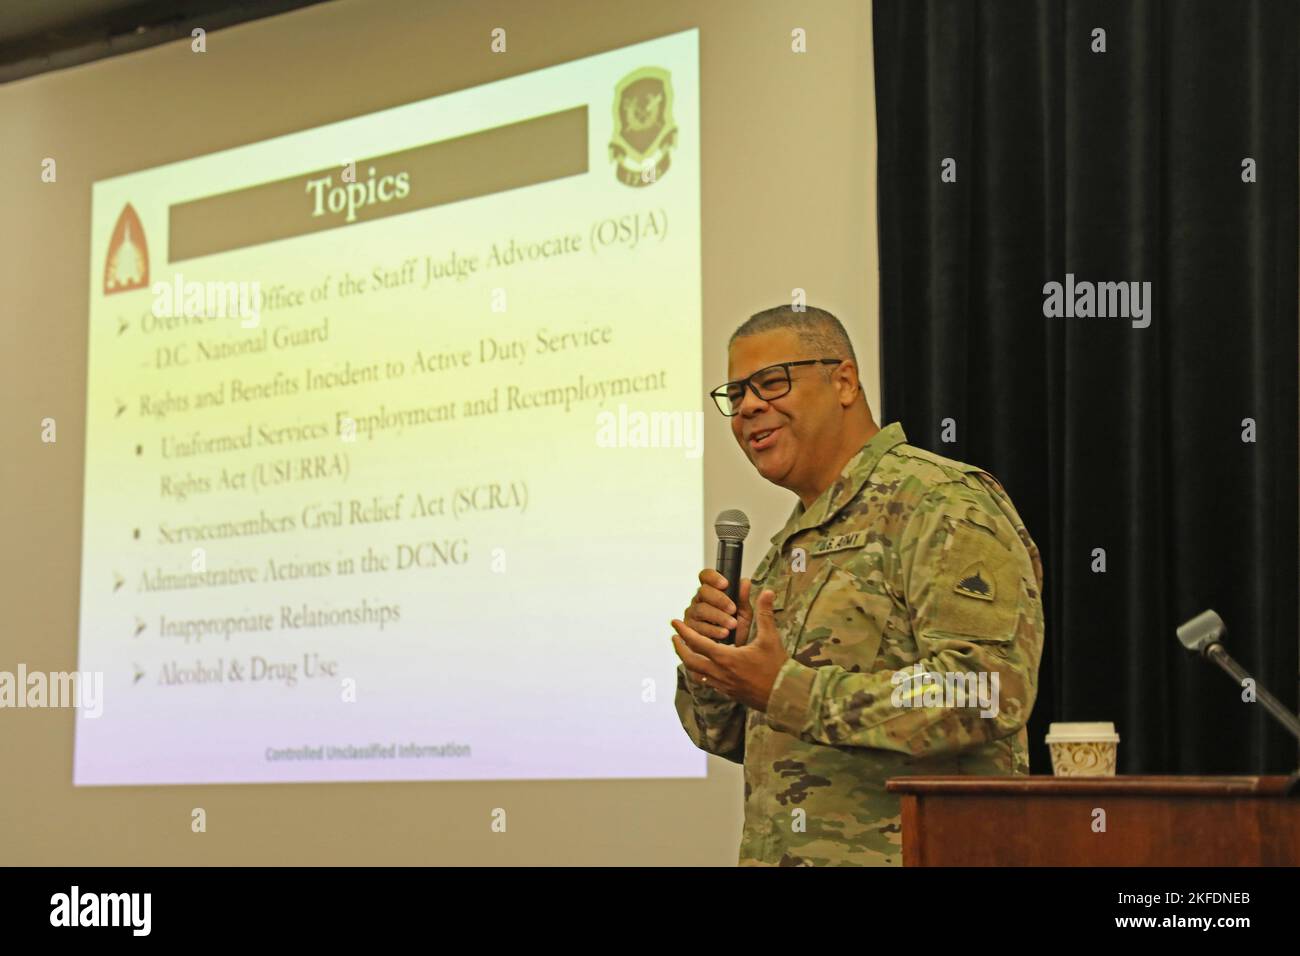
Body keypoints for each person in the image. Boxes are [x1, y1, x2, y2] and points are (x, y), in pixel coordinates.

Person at [671, 305, 1045, 866]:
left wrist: (787, 689)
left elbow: (986, 691)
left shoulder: (939, 502)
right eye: (736, 394)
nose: (748, 406)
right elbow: (733, 737)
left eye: (772, 383)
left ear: (843, 381)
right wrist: (719, 663)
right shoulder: (791, 545)